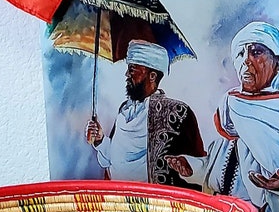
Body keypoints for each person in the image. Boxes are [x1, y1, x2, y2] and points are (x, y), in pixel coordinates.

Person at [168, 22, 279, 212]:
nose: (246, 61)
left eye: (257, 52)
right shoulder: (232, 108)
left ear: (277, 62)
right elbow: (217, 162)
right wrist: (191, 167)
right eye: (241, 54)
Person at [86, 41, 204, 186]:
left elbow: (198, 165)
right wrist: (100, 140)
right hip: (118, 199)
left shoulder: (177, 112)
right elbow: (115, 157)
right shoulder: (125, 109)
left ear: (152, 75)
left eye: (132, 69)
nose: (126, 74)